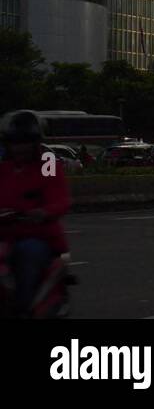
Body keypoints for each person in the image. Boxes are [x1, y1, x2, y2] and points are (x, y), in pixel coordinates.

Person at [0, 111, 71, 317]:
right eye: (14, 142)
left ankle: (24, 307)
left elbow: (60, 199)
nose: (19, 147)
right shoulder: (4, 169)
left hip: (39, 236)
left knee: (26, 253)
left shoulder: (46, 165)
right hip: (5, 235)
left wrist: (43, 212)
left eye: (25, 142)